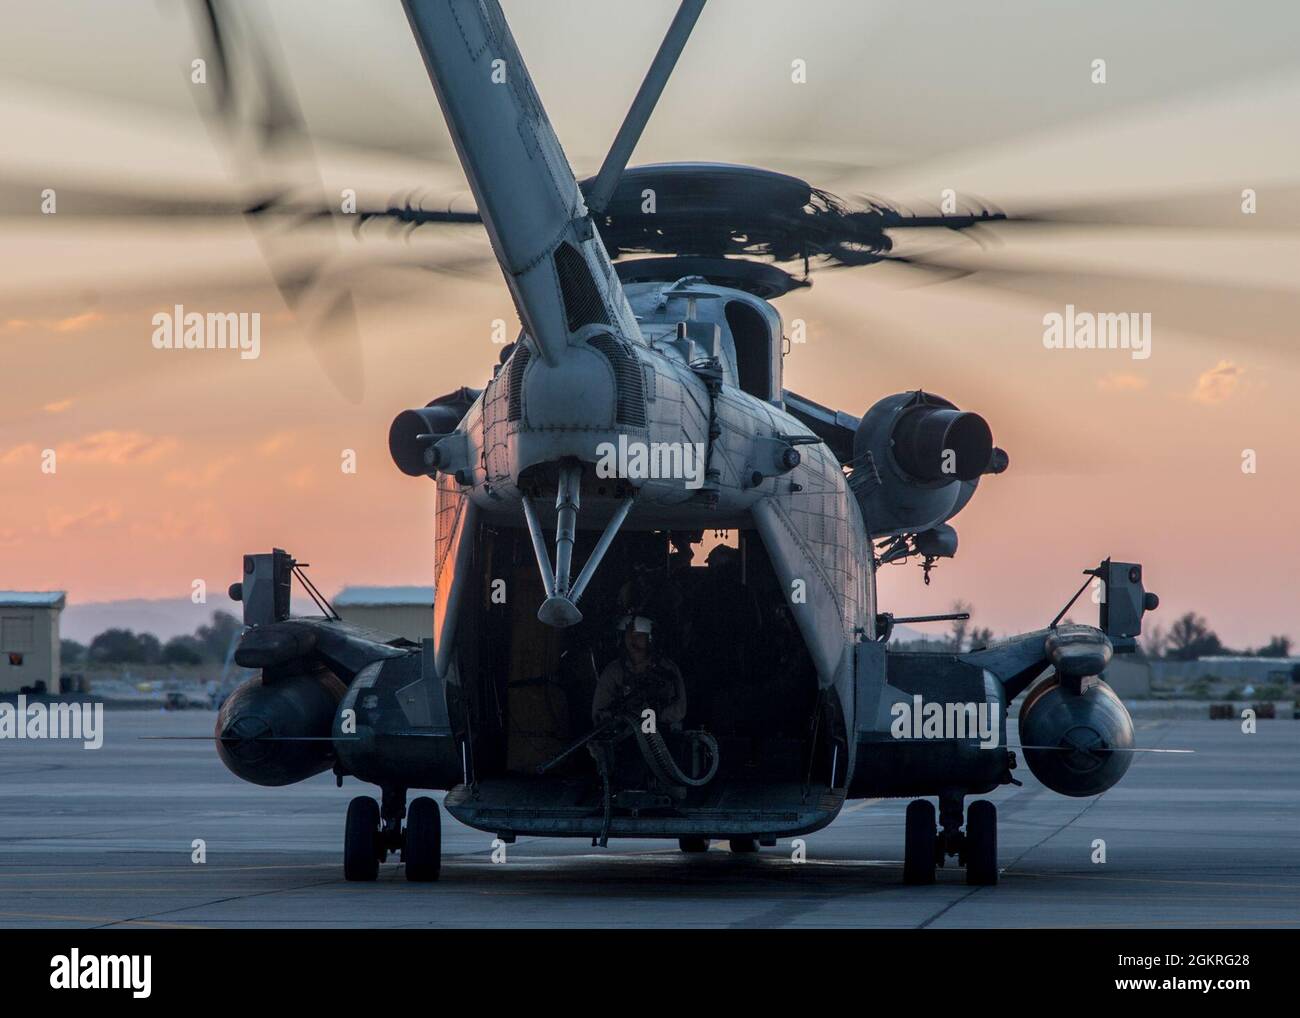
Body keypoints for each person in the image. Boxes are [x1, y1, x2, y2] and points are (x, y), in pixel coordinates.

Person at [592, 615, 686, 728]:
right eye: (629, 633)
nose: (632, 639)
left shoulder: (667, 668)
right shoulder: (614, 671)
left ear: (650, 637)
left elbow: (679, 709)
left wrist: (650, 715)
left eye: (639, 635)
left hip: (662, 733)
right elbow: (599, 713)